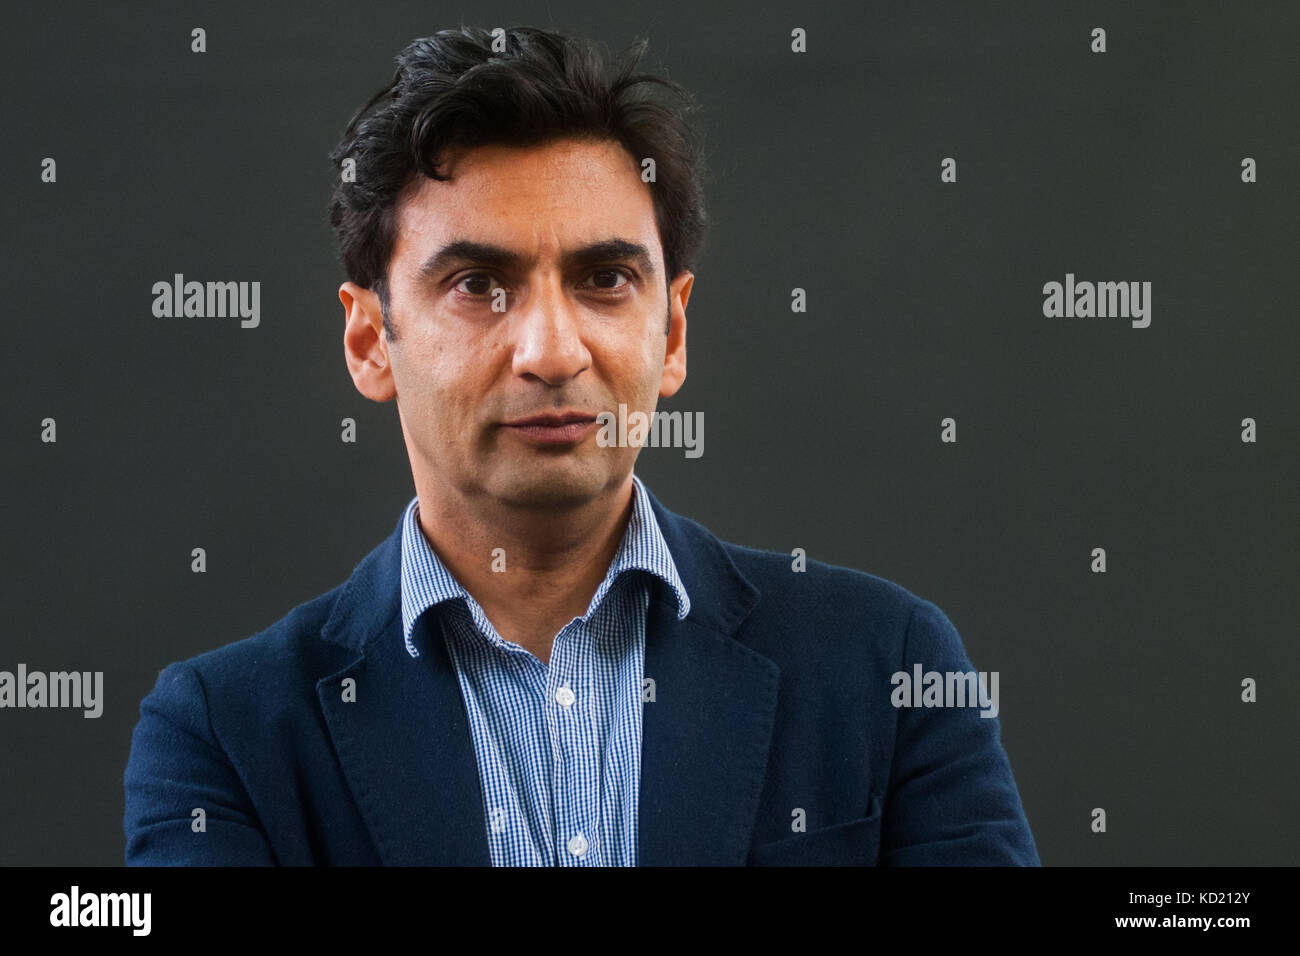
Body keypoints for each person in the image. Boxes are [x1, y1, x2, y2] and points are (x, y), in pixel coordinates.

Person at [124, 24, 1038, 866]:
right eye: (479, 283)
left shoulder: (885, 668)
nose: (553, 352)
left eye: (605, 278)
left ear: (672, 333)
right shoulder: (223, 734)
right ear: (370, 342)